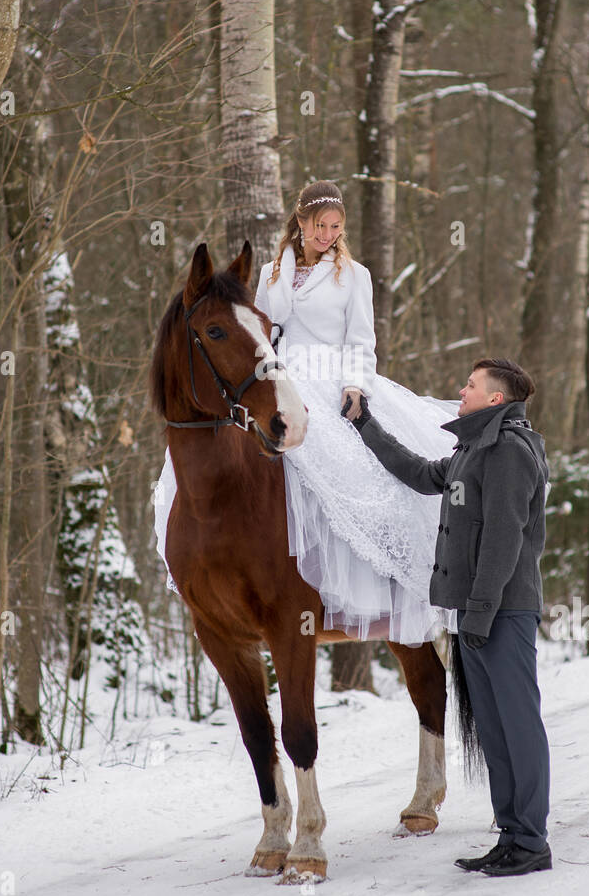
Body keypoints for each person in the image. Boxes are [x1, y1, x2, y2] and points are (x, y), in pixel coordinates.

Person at [152, 179, 461, 645]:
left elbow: (361, 340)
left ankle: (361, 580)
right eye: (320, 225)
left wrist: (356, 385)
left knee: (348, 478)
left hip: (331, 380)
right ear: (301, 223)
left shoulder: (354, 276)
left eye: (336, 227)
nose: (328, 234)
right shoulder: (274, 271)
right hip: (280, 378)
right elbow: (257, 332)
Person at [343, 358, 553, 876]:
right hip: (475, 613)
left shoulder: (509, 451)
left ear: (496, 399)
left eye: (471, 385)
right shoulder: (473, 449)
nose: (460, 389)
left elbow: (505, 539)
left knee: (518, 725)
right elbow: (418, 473)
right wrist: (364, 423)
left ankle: (531, 841)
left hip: (503, 610)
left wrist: (479, 615)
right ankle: (511, 835)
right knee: (494, 729)